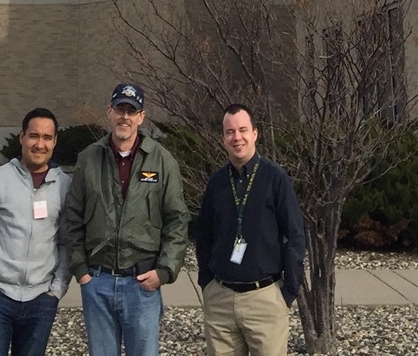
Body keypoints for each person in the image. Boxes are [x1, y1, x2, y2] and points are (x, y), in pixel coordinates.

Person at [65, 82, 188, 356]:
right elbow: (72, 217)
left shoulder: (162, 161)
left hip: (142, 284)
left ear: (141, 117)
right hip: (98, 282)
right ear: (109, 112)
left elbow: (177, 220)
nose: (125, 117)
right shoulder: (89, 159)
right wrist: (81, 270)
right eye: (120, 109)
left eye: (132, 111)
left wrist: (165, 270)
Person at [195, 104, 305, 356]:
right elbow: (204, 236)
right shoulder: (217, 183)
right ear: (223, 138)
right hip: (221, 299)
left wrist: (288, 291)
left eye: (243, 130)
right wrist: (206, 282)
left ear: (255, 133)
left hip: (265, 298)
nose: (237, 137)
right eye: (230, 132)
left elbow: (296, 235)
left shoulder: (275, 178)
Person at [0, 106, 72, 356]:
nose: (40, 144)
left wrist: (56, 289)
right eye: (34, 136)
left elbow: (67, 241)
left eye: (47, 138)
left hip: (41, 301)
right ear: (22, 137)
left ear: (55, 142)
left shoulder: (64, 186)